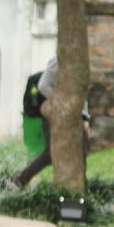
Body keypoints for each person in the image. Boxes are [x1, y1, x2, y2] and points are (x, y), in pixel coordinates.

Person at [12, 54, 91, 188]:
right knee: (50, 153)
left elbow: (80, 91)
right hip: (55, 115)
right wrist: (61, 103)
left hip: (75, 116)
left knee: (82, 150)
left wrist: (84, 117)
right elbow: (43, 85)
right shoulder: (60, 58)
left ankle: (78, 190)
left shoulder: (80, 56)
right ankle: (19, 181)